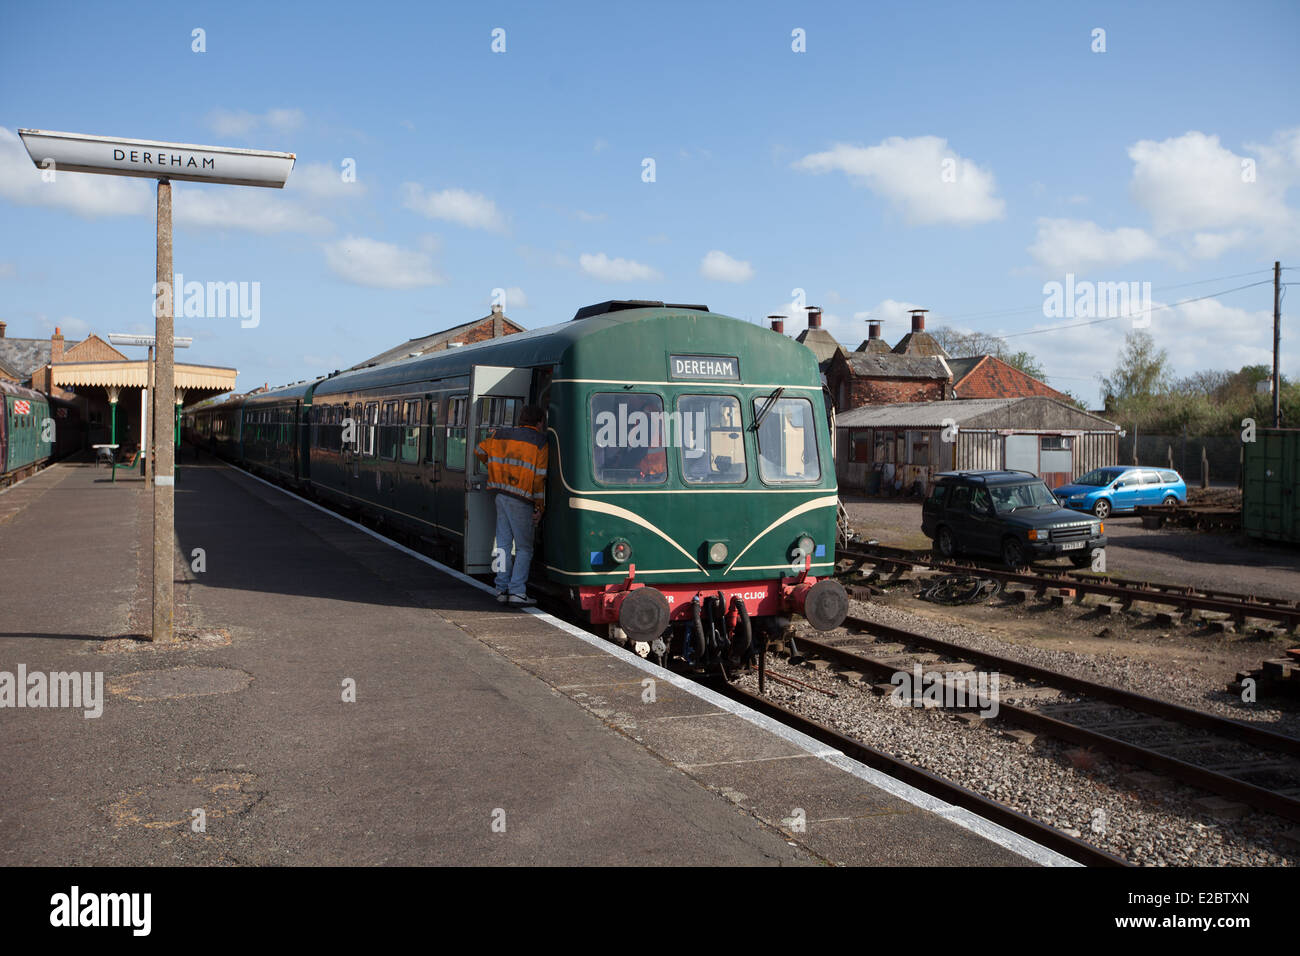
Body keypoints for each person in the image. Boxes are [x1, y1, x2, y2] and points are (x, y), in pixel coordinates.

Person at [474, 405, 548, 606]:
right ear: (540, 422)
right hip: (521, 499)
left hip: (501, 494)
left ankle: (501, 588)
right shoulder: (540, 442)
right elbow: (539, 480)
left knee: (504, 544)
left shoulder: (500, 434)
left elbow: (479, 450)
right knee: (524, 548)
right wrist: (540, 508)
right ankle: (517, 591)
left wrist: (495, 467)